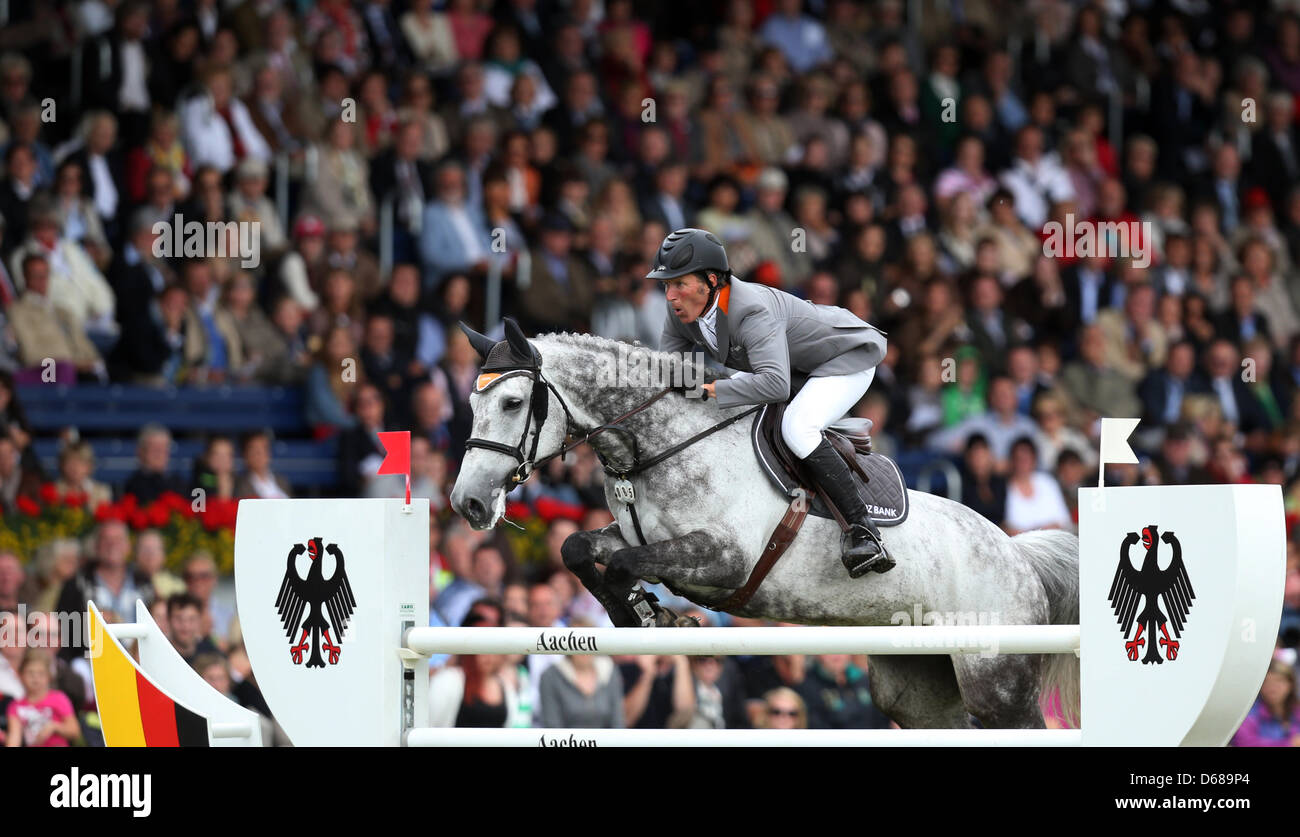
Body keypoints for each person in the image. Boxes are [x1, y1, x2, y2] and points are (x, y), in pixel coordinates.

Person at [649, 227, 892, 577]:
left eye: (679, 284)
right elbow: (667, 373)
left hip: (843, 359)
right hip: (793, 367)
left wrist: (709, 390)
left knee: (798, 427)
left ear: (712, 280)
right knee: (727, 395)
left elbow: (775, 385)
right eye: (666, 285)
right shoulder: (681, 312)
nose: (670, 295)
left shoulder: (752, 311)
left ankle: (863, 530)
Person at [5, 651, 80, 747]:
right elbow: (14, 738)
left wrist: (54, 727)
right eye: (30, 673)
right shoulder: (15, 707)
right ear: (20, 675)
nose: (36, 678)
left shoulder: (59, 698)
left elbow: (75, 731)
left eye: (41, 673)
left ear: (49, 677)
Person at [1230, 657, 1300, 746]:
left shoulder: (1296, 710)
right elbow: (1245, 743)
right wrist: (1289, 743)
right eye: (1267, 682)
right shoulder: (1248, 714)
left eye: (1279, 680)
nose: (1273, 687)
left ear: (1290, 684)